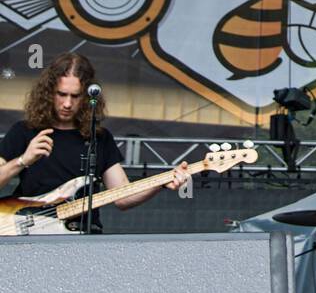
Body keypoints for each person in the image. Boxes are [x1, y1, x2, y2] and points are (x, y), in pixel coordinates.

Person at [0, 52, 189, 230]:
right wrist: (22, 161)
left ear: (86, 97)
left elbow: (122, 197)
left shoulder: (99, 138)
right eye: (61, 94)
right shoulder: (25, 131)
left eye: (75, 96)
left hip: (82, 241)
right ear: (49, 92)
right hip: (28, 235)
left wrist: (161, 182)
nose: (67, 104)